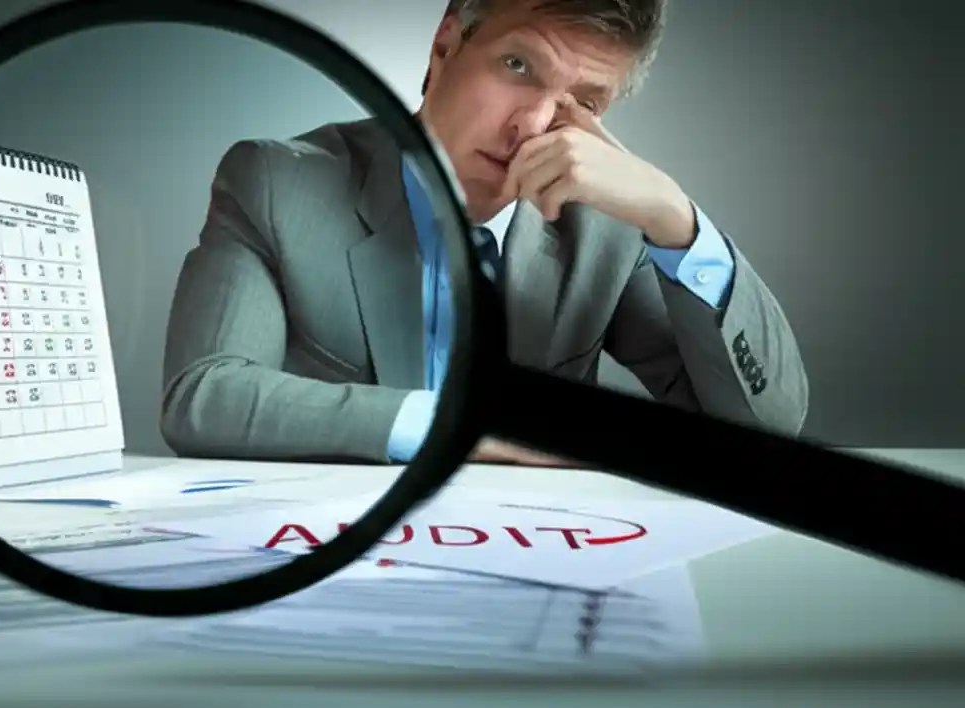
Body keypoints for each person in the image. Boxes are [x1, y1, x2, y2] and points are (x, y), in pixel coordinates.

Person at [159, 0, 808, 466]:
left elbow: (763, 428)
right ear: (445, 47)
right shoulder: (278, 182)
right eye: (518, 65)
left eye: (583, 102)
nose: (534, 125)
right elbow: (203, 395)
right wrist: (471, 426)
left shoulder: (609, 226)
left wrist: (676, 220)